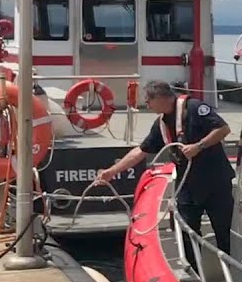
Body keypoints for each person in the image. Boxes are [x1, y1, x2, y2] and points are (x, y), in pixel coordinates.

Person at [98, 80, 234, 271]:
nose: (147, 105)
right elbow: (141, 151)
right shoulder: (160, 124)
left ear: (161, 98)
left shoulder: (195, 108)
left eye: (148, 100)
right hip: (188, 187)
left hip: (215, 184)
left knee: (224, 233)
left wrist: (199, 146)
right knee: (188, 234)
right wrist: (112, 172)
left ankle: (232, 276)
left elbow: (223, 129)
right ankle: (195, 274)